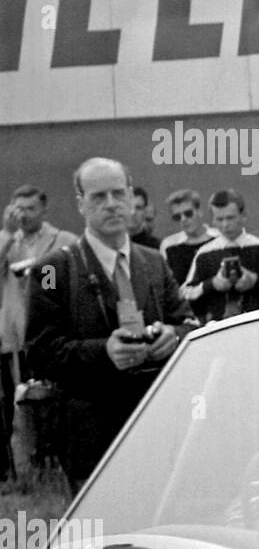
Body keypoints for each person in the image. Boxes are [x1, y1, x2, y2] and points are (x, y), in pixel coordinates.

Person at [25, 158, 196, 493]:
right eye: (98, 197)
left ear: (132, 198)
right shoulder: (49, 270)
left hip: (153, 425)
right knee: (100, 539)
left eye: (119, 194)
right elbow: (40, 353)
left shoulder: (155, 262)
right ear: (80, 204)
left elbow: (190, 325)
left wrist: (172, 337)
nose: (111, 205)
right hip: (90, 437)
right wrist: (104, 351)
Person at [0, 185, 76, 477]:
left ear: (44, 210)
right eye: (19, 209)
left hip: (49, 334)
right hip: (14, 337)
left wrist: (40, 273)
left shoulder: (63, 240)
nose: (24, 215)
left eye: (31, 209)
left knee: (52, 400)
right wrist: (7, 234)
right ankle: (22, 469)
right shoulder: (8, 242)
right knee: (16, 403)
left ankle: (56, 463)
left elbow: (61, 283)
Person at [179, 189, 259, 323]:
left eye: (230, 218)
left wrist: (255, 281)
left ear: (243, 215)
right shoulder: (204, 253)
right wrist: (211, 284)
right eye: (219, 219)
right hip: (218, 326)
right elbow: (185, 293)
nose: (225, 225)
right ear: (213, 221)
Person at [158, 188, 219, 287]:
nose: (183, 219)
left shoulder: (219, 238)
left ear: (199, 211)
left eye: (188, 213)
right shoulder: (169, 245)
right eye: (177, 217)